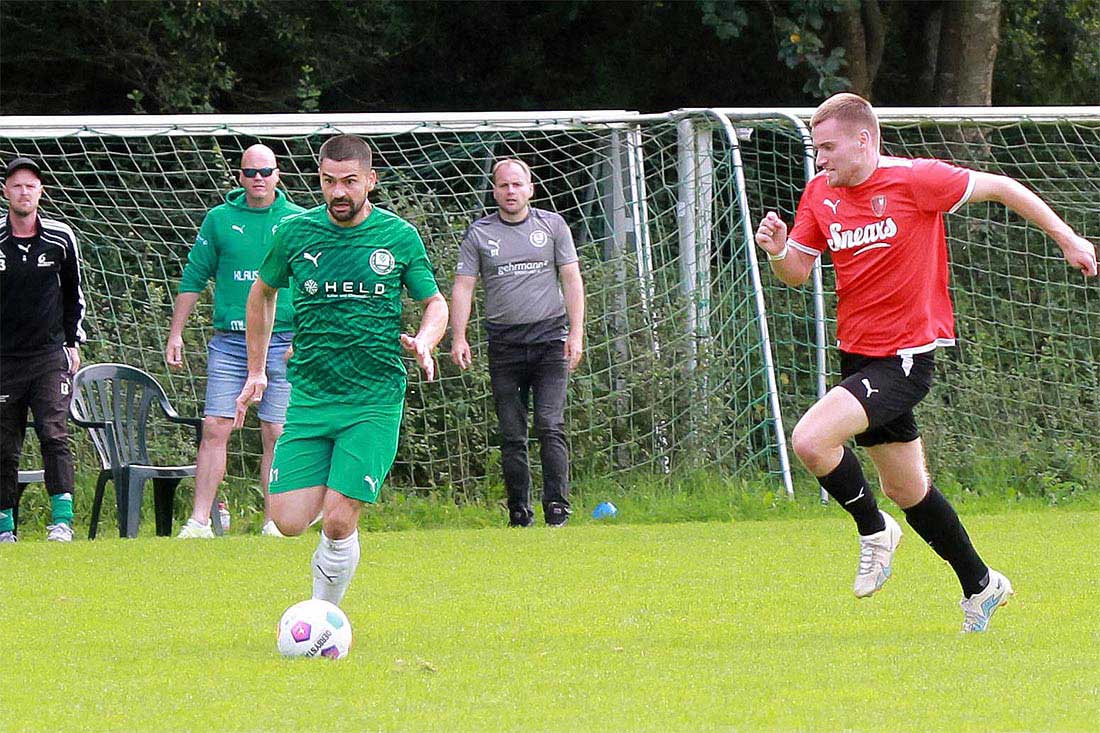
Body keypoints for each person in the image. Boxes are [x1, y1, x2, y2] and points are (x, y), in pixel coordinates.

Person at [755, 93, 1097, 632]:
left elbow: (1003, 187)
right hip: (859, 354)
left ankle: (873, 530)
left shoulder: (917, 179)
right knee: (907, 489)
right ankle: (982, 585)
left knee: (811, 440)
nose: (819, 159)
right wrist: (777, 250)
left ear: (864, 139)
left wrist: (1067, 237)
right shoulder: (821, 193)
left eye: (828, 147)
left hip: (906, 356)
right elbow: (797, 271)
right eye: (816, 148)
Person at [234, 134, 447, 606]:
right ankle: (334, 505)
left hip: (374, 398)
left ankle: (323, 616)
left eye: (350, 181)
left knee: (336, 519)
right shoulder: (295, 232)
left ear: (370, 180)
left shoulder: (397, 237)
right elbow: (261, 295)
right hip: (311, 395)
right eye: (329, 181)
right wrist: (256, 370)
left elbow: (434, 302)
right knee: (287, 521)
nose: (339, 192)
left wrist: (426, 342)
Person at [167, 144, 305, 539]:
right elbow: (194, 277)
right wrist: (176, 332)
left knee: (276, 431)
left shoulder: (298, 220)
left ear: (278, 175)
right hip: (230, 341)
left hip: (284, 340)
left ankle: (273, 522)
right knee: (215, 426)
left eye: (265, 171)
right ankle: (198, 521)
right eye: (250, 172)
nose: (258, 178)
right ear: (239, 176)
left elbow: (313, 284)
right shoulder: (219, 220)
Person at [450, 158, 585, 527]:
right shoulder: (479, 234)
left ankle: (557, 507)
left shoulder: (552, 226)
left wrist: (576, 333)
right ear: (494, 190)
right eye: (503, 185)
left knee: (549, 423)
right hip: (504, 346)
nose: (510, 192)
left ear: (530, 189)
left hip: (549, 343)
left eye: (517, 185)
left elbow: (572, 279)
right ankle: (518, 511)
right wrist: (458, 336)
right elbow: (464, 286)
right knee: (511, 432)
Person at [0, 157, 86, 543]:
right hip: (4, 359)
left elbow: (74, 294)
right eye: (16, 185)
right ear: (5, 192)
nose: (23, 192)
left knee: (53, 433)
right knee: (5, 443)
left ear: (40, 192)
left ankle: (62, 522)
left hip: (49, 356)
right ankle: (5, 527)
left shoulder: (60, 237)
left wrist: (72, 342)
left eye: (30, 186)